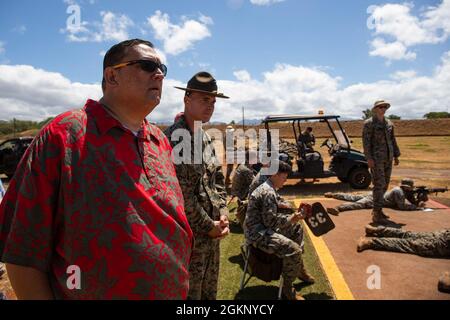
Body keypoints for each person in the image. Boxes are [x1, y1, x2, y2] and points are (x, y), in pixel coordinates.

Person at [0, 39, 193, 299]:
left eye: (162, 68)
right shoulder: (64, 135)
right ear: (112, 76)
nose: (159, 74)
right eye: (147, 65)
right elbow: (23, 252)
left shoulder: (160, 141)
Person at [164, 71, 230, 300]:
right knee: (189, 296)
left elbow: (217, 181)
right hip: (189, 240)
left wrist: (223, 214)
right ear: (187, 99)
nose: (210, 106)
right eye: (204, 99)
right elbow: (181, 196)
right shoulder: (175, 138)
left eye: (213, 101)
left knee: (209, 293)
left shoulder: (205, 137)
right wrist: (208, 225)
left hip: (212, 235)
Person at [244, 161, 312, 300]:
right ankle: (288, 288)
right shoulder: (268, 191)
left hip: (262, 229)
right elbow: (271, 222)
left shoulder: (269, 187)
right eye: (284, 177)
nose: (285, 181)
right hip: (258, 234)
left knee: (297, 228)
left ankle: (297, 268)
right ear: (275, 175)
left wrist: (292, 218)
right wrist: (291, 218)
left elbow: (271, 219)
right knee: (294, 250)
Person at [363, 100, 401, 224]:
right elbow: (366, 142)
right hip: (376, 159)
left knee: (385, 185)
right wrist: (368, 158)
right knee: (379, 185)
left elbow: (393, 140)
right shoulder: (369, 123)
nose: (383, 109)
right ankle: (376, 213)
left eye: (385, 107)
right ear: (375, 109)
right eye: (380, 107)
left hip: (388, 158)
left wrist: (396, 155)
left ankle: (379, 210)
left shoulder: (389, 123)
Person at [325, 178, 424, 216]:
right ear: (407, 188)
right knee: (357, 204)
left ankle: (334, 194)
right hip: (374, 200)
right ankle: (337, 208)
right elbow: (401, 206)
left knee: (352, 197)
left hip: (374, 195)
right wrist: (417, 207)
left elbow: (410, 199)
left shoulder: (400, 189)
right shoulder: (399, 192)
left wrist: (417, 200)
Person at [357, 225, 450, 259]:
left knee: (407, 237)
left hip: (441, 237)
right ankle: (373, 237)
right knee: (406, 240)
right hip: (442, 241)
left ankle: (374, 235)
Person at [224, 125, 236, 190]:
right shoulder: (229, 137)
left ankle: (227, 179)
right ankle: (227, 179)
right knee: (230, 167)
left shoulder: (225, 136)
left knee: (230, 166)